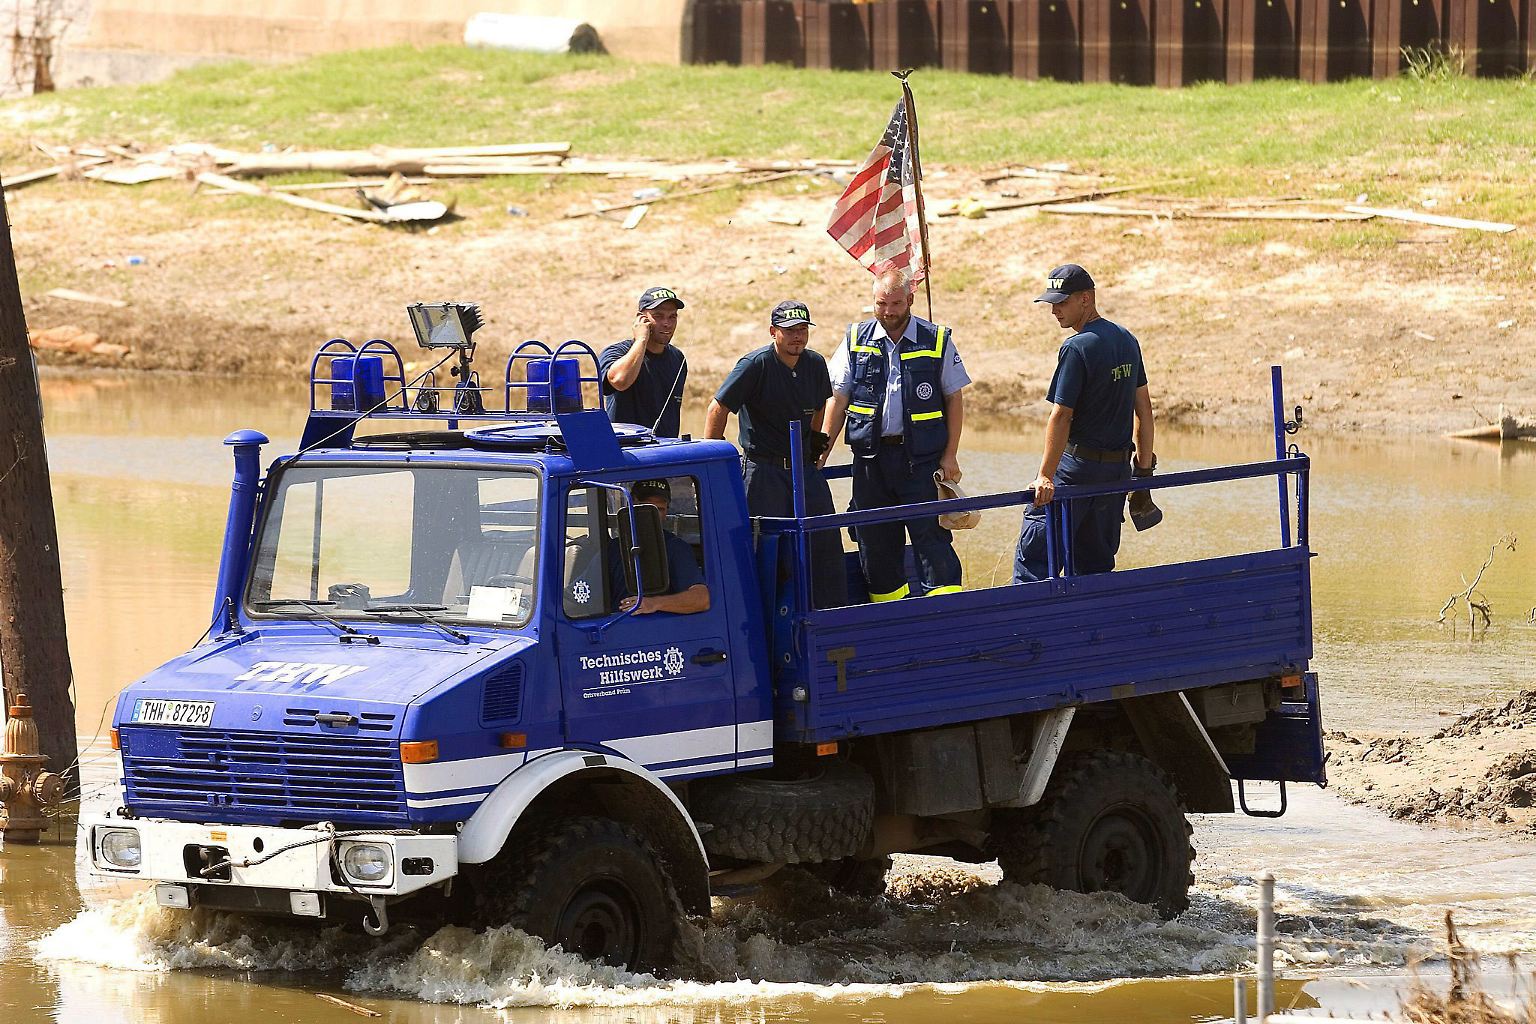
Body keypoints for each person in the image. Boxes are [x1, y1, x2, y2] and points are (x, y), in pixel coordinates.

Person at [822, 270, 968, 602]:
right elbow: (838, 398)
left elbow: (954, 398)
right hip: (870, 463)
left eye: (896, 303)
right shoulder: (855, 339)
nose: (888, 311)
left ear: (911, 300)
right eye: (881, 304)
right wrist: (822, 451)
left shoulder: (936, 339)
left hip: (921, 462)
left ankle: (945, 614)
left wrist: (950, 455)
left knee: (931, 537)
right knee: (875, 541)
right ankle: (888, 615)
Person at [1013, 264, 1156, 584]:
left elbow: (1061, 415)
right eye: (1052, 304)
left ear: (1086, 299)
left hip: (1075, 472)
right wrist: (1143, 473)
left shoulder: (1076, 347)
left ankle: (1027, 619)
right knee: (1095, 570)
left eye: (1061, 303)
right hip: (1114, 475)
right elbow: (1144, 411)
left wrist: (1045, 476)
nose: (1054, 311)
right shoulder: (1127, 340)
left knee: (1035, 564)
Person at [704, 300, 847, 609]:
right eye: (790, 331)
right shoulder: (755, 364)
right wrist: (712, 461)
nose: (797, 337)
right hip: (763, 473)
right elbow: (718, 408)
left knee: (823, 541)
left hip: (803, 470)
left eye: (802, 330)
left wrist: (815, 442)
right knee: (765, 549)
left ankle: (828, 617)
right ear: (773, 332)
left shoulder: (815, 363)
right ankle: (764, 619)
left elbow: (821, 404)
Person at [598, 286, 688, 437]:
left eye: (672, 316)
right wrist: (641, 340)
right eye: (658, 316)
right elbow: (619, 381)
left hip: (666, 448)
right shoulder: (617, 352)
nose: (667, 323)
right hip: (627, 447)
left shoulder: (678, 358)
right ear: (641, 319)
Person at [610, 479, 709, 615]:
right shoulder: (612, 548)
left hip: (657, 626)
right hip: (613, 624)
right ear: (632, 504)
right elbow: (583, 593)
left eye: (660, 509)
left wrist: (654, 603)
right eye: (647, 508)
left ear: (667, 511)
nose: (653, 514)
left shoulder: (675, 548)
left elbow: (702, 599)